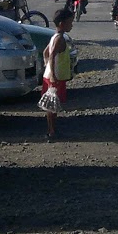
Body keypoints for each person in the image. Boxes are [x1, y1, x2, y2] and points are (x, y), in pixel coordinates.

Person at [39, 8, 76, 142]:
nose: (71, 25)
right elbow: (52, 54)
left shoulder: (54, 36)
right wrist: (53, 73)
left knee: (51, 105)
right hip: (55, 77)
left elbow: (45, 53)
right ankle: (52, 132)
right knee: (52, 106)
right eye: (70, 22)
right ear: (62, 23)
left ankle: (52, 130)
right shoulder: (59, 38)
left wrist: (47, 67)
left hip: (50, 75)